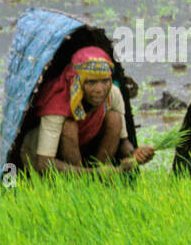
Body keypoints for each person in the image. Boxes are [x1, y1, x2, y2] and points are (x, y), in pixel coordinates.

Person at [19, 46, 154, 176]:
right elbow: (44, 163)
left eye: (105, 81)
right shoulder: (58, 103)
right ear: (77, 82)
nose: (100, 89)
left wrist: (135, 155)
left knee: (115, 118)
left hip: (85, 151)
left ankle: (96, 179)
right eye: (91, 83)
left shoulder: (113, 93)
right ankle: (87, 181)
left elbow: (123, 142)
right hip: (44, 157)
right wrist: (94, 174)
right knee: (69, 126)